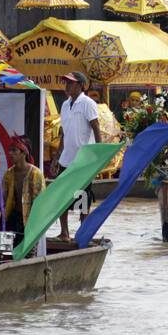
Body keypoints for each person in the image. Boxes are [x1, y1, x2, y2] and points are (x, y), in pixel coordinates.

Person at [56, 70, 101, 241]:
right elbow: (64, 133)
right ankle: (65, 232)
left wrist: (98, 153)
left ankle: (83, 232)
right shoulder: (65, 104)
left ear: (81, 85)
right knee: (62, 197)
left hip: (83, 161)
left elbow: (96, 127)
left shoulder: (87, 103)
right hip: (66, 159)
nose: (67, 85)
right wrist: (56, 156)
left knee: (83, 198)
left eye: (71, 82)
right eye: (66, 82)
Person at [2, 135, 43, 244]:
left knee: (29, 256)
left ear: (24, 153)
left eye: (14, 150)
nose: (10, 153)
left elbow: (41, 203)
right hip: (13, 219)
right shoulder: (8, 174)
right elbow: (4, 200)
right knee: (11, 254)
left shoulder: (36, 174)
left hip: (31, 221)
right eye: (9, 150)